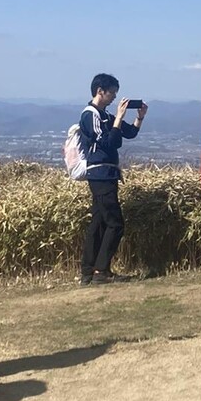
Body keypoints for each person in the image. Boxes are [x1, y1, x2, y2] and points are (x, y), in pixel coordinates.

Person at [78, 74, 147, 285]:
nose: (114, 98)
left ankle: (88, 271)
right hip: (100, 174)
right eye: (112, 93)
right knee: (115, 224)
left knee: (98, 222)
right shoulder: (91, 115)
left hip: (106, 174)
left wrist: (139, 117)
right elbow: (110, 143)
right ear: (100, 91)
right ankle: (101, 271)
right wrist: (117, 118)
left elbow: (129, 133)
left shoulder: (105, 115)